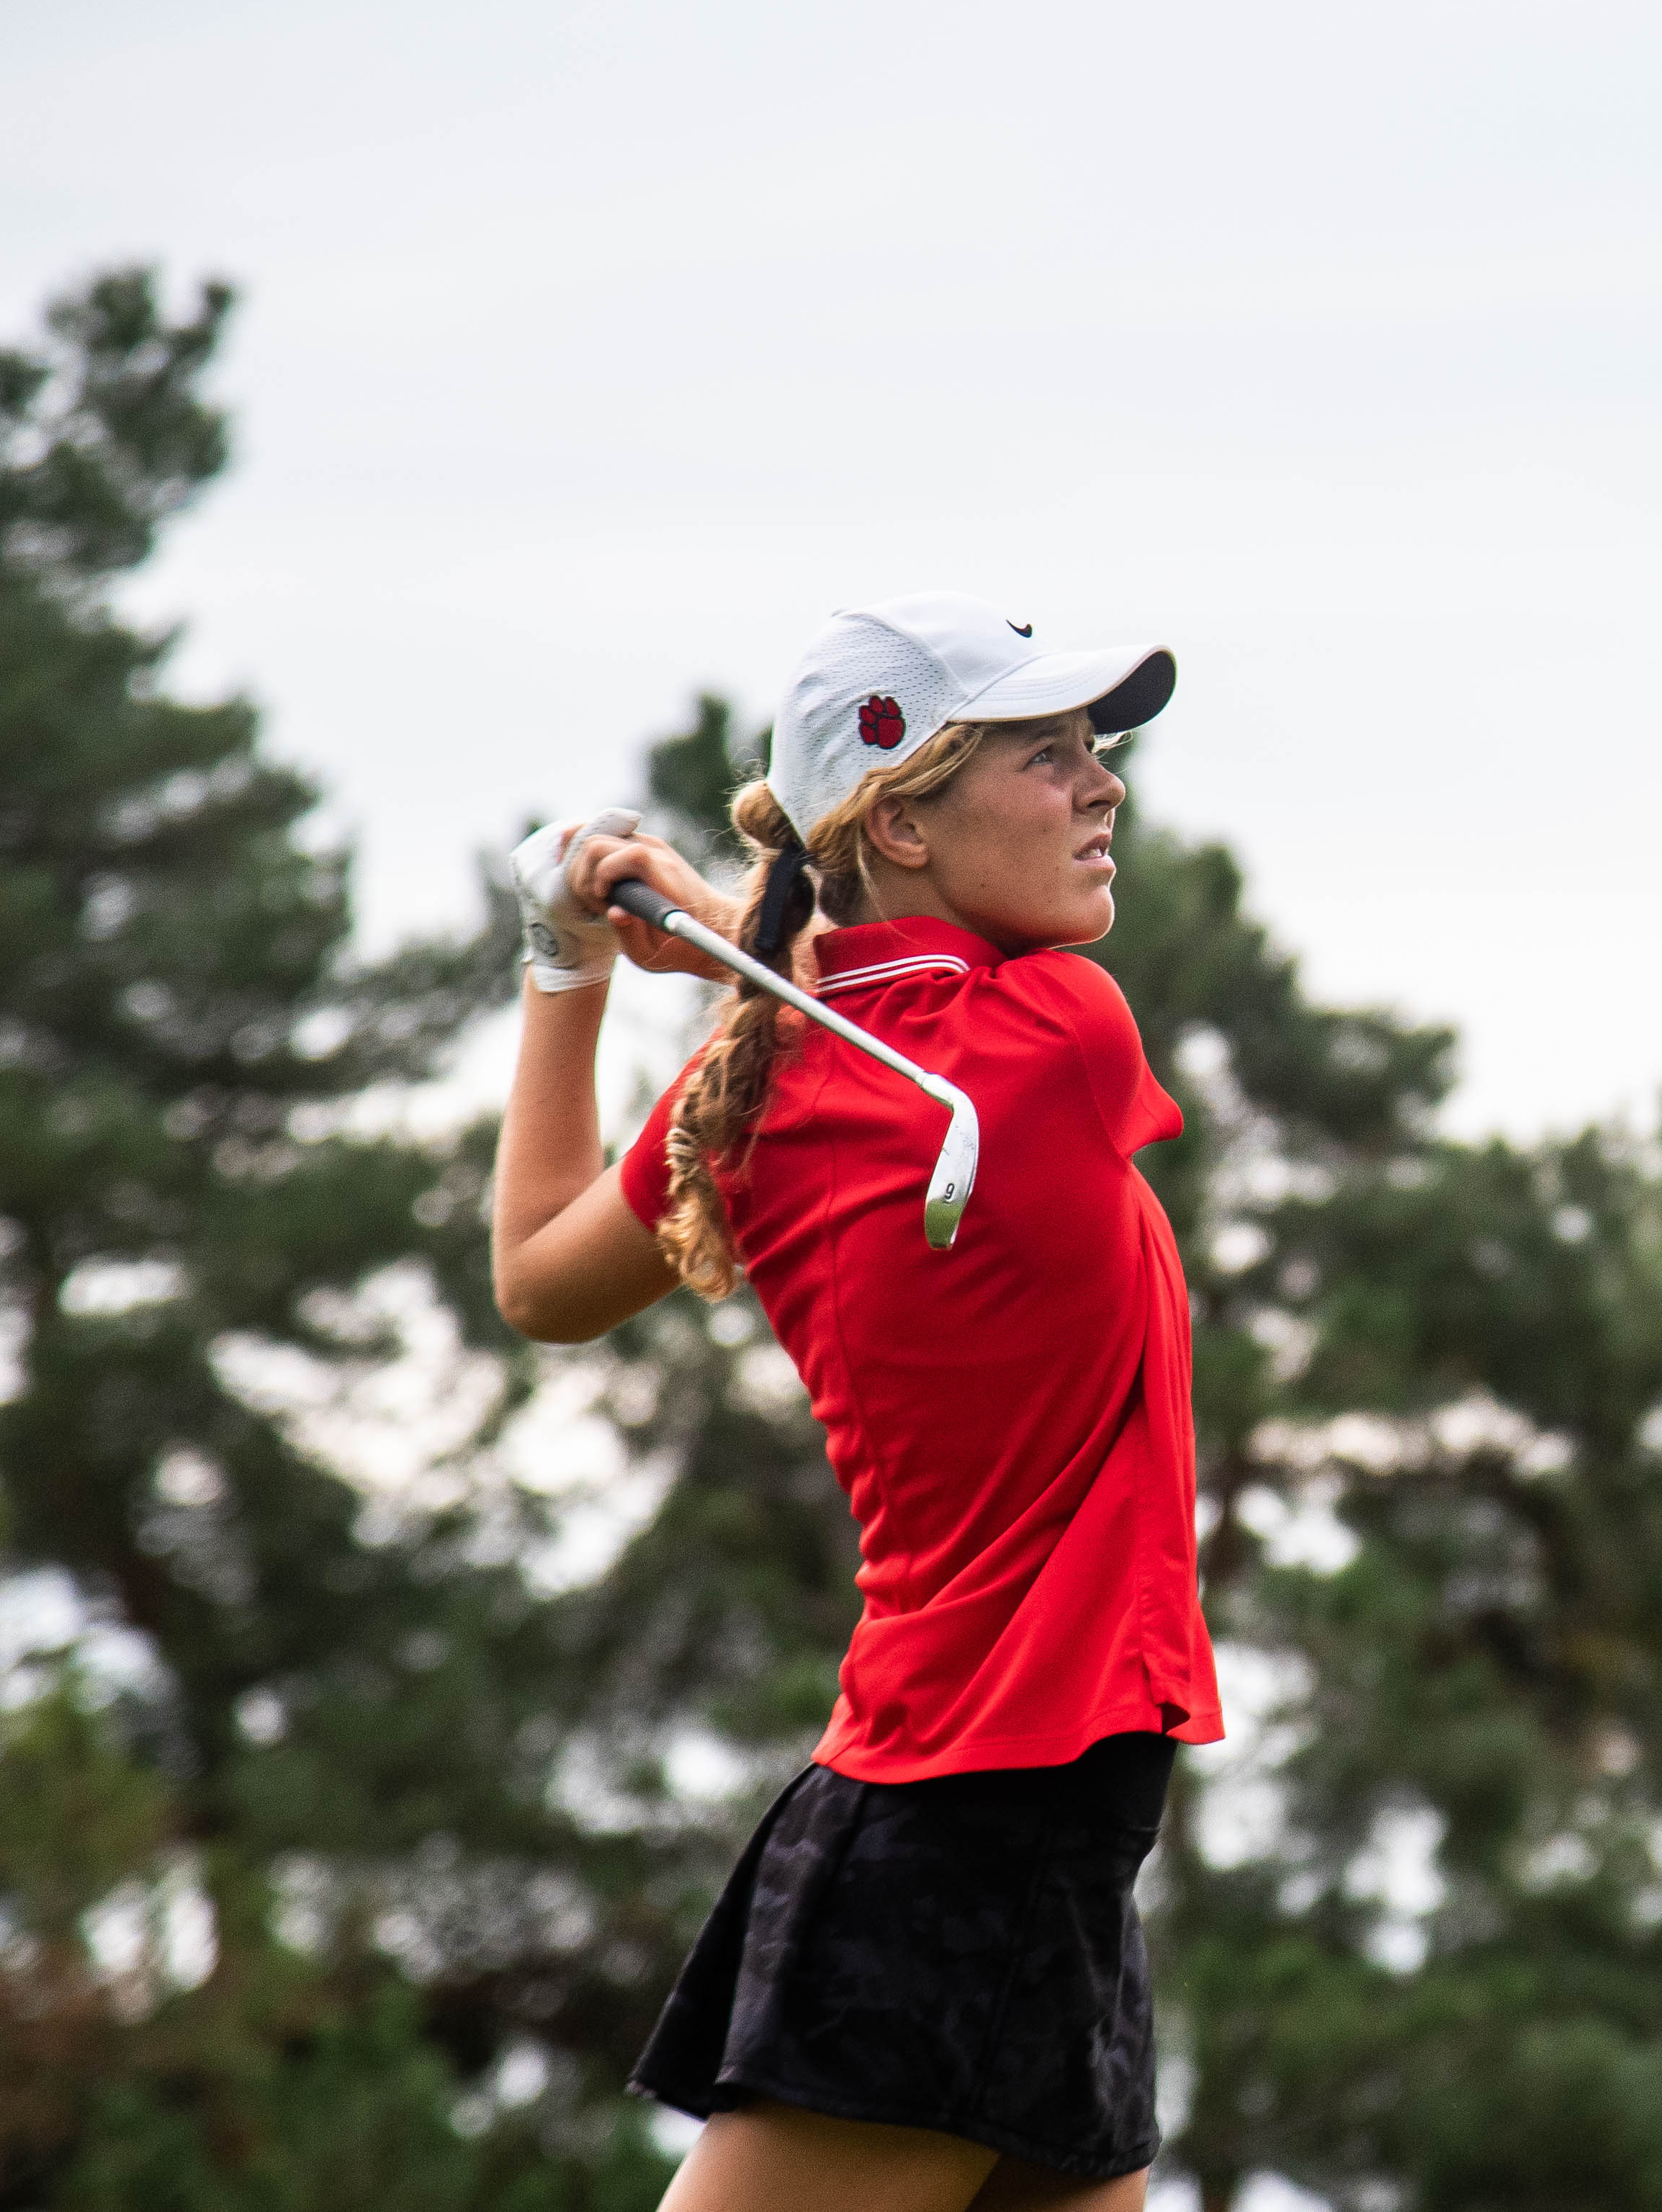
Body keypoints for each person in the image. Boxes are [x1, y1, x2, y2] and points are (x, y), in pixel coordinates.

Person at [490, 593, 1208, 2212]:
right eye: (1047, 754)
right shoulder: (1055, 1025)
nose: (1103, 786)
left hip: (1031, 1805)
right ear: (897, 817)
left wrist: (569, 964)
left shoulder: (751, 1087)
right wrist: (710, 942)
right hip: (978, 1804)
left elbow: (538, 1272)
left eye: (1097, 751)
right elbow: (886, 1015)